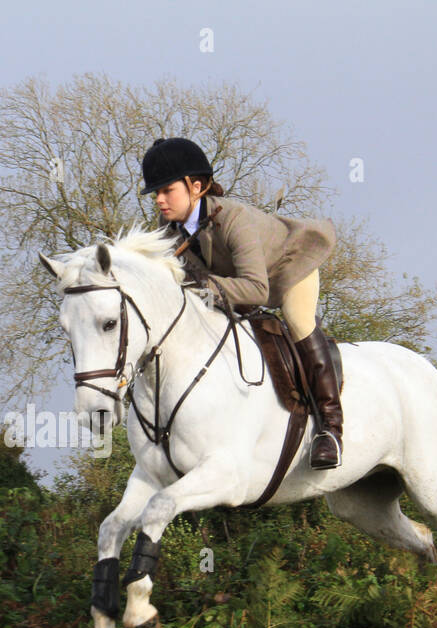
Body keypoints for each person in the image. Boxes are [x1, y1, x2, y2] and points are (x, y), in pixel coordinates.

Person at [141, 136, 342, 469]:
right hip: (235, 285)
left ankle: (331, 428)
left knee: (298, 319)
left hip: (287, 268)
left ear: (196, 187)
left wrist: (201, 288)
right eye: (156, 194)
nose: (160, 200)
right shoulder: (169, 227)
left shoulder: (233, 218)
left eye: (167, 191)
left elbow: (256, 289)